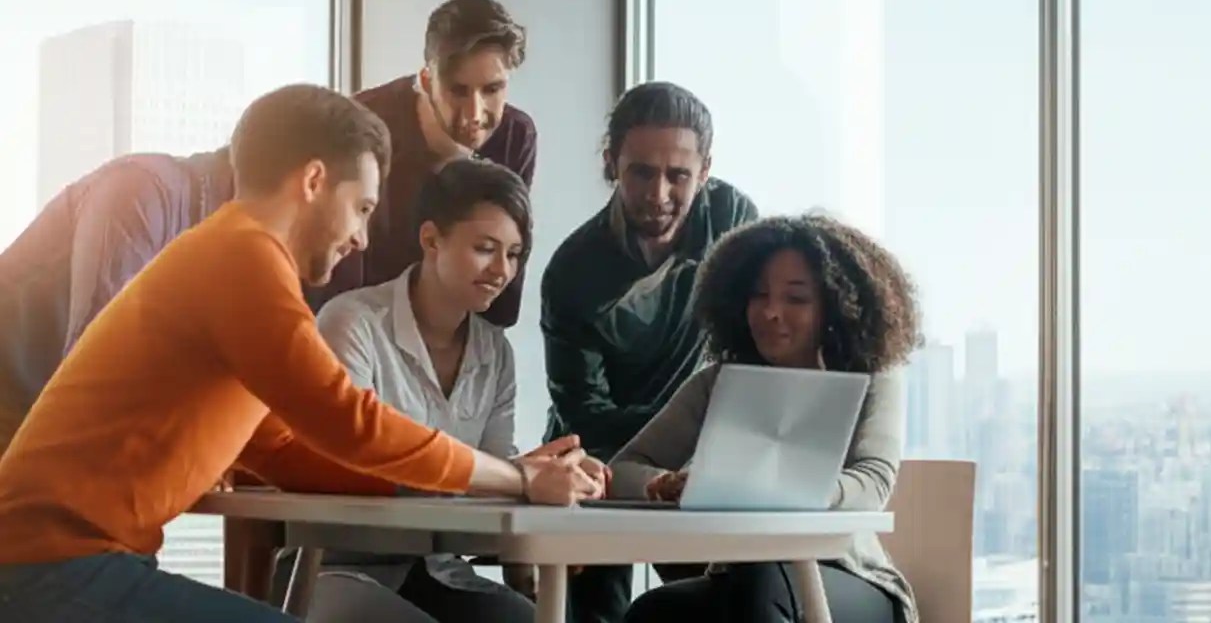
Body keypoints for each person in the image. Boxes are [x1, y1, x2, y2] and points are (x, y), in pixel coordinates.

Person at [0, 84, 603, 623]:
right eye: (362, 208)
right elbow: (347, 420)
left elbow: (282, 450)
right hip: (49, 566)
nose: (363, 237)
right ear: (314, 181)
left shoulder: (231, 257)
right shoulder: (245, 258)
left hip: (73, 563)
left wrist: (463, 486)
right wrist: (515, 477)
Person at [611, 214, 922, 623]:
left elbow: (873, 481)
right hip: (741, 574)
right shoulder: (718, 383)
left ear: (837, 306)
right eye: (759, 295)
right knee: (653, 611)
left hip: (850, 578)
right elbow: (622, 471)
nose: (771, 311)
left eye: (796, 299)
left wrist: (777, 488)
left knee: (760, 582)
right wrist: (670, 487)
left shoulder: (873, 379)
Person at [540, 82, 758, 621]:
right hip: (596, 461)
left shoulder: (732, 221)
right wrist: (675, 450)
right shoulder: (573, 271)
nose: (659, 193)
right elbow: (584, 410)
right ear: (612, 162)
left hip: (693, 460)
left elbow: (753, 349)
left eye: (678, 175)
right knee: (591, 614)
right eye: (641, 171)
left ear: (704, 171)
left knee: (722, 603)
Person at [310, 158, 541, 621]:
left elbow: (494, 483)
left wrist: (536, 475)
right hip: (336, 565)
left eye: (513, 254)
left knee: (532, 618)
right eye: (485, 248)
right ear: (431, 240)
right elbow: (351, 465)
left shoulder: (495, 352)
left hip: (437, 568)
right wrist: (508, 476)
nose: (501, 269)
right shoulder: (352, 323)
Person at [309, 0, 537, 328]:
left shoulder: (515, 137)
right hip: (356, 328)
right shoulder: (360, 129)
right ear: (428, 81)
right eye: (459, 91)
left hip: (454, 331)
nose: (476, 114)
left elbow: (501, 292)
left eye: (492, 89)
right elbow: (332, 281)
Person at [0, 148, 234, 452]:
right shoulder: (142, 189)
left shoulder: (224, 241)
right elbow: (98, 370)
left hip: (40, 424)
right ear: (310, 181)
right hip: (13, 410)